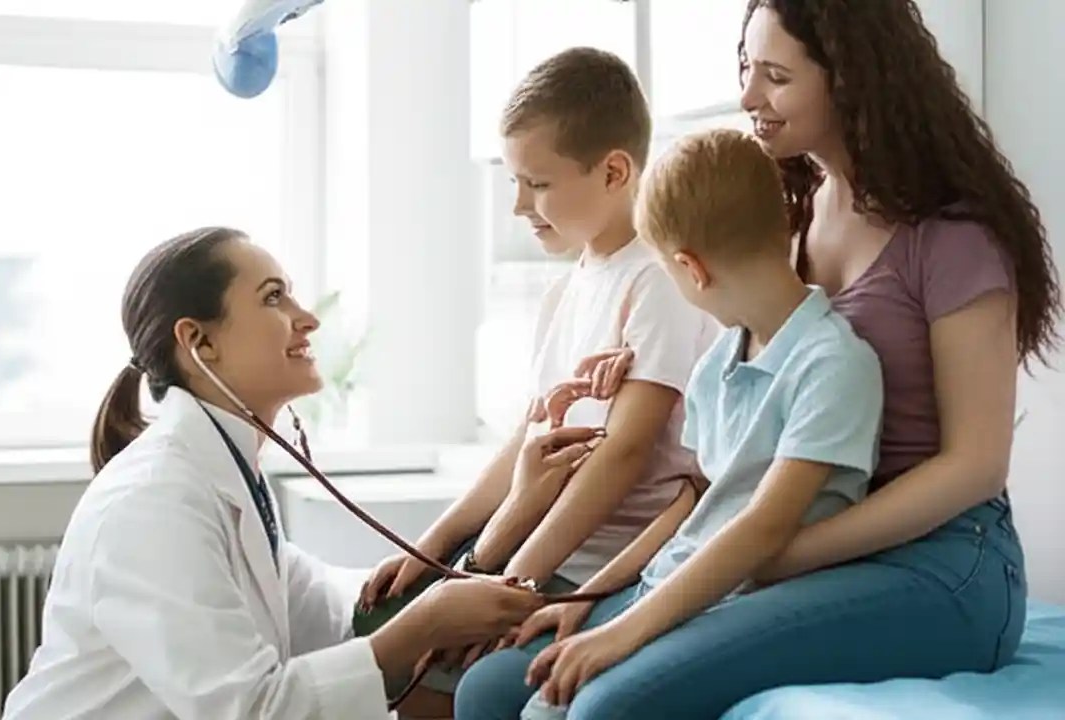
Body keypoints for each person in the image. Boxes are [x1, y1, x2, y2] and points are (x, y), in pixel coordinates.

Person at [455, 1, 1060, 718]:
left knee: (601, 706)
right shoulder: (792, 219)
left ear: (854, 80)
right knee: (493, 688)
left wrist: (783, 553)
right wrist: (598, 597)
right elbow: (726, 467)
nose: (748, 98)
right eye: (746, 68)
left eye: (775, 76)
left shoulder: (952, 239)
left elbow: (975, 466)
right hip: (783, 533)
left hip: (939, 564)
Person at [1, 227, 546, 720]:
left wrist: (469, 553)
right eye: (272, 297)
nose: (306, 318)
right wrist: (426, 623)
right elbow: (251, 709)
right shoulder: (153, 502)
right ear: (200, 343)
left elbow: (332, 613)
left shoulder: (228, 474)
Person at [355, 46, 716, 711]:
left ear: (614, 171)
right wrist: (430, 550)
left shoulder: (657, 280)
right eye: (514, 182)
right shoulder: (569, 288)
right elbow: (526, 440)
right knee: (383, 624)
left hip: (601, 565)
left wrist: (520, 582)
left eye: (539, 183)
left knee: (462, 676)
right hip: (548, 546)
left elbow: (626, 454)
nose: (520, 205)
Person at [502, 128, 887, 719]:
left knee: (570, 710)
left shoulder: (834, 364)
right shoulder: (720, 362)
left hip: (750, 597)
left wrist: (621, 633)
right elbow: (695, 504)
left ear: (690, 268)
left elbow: (762, 525)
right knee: (494, 691)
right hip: (676, 579)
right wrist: (592, 597)